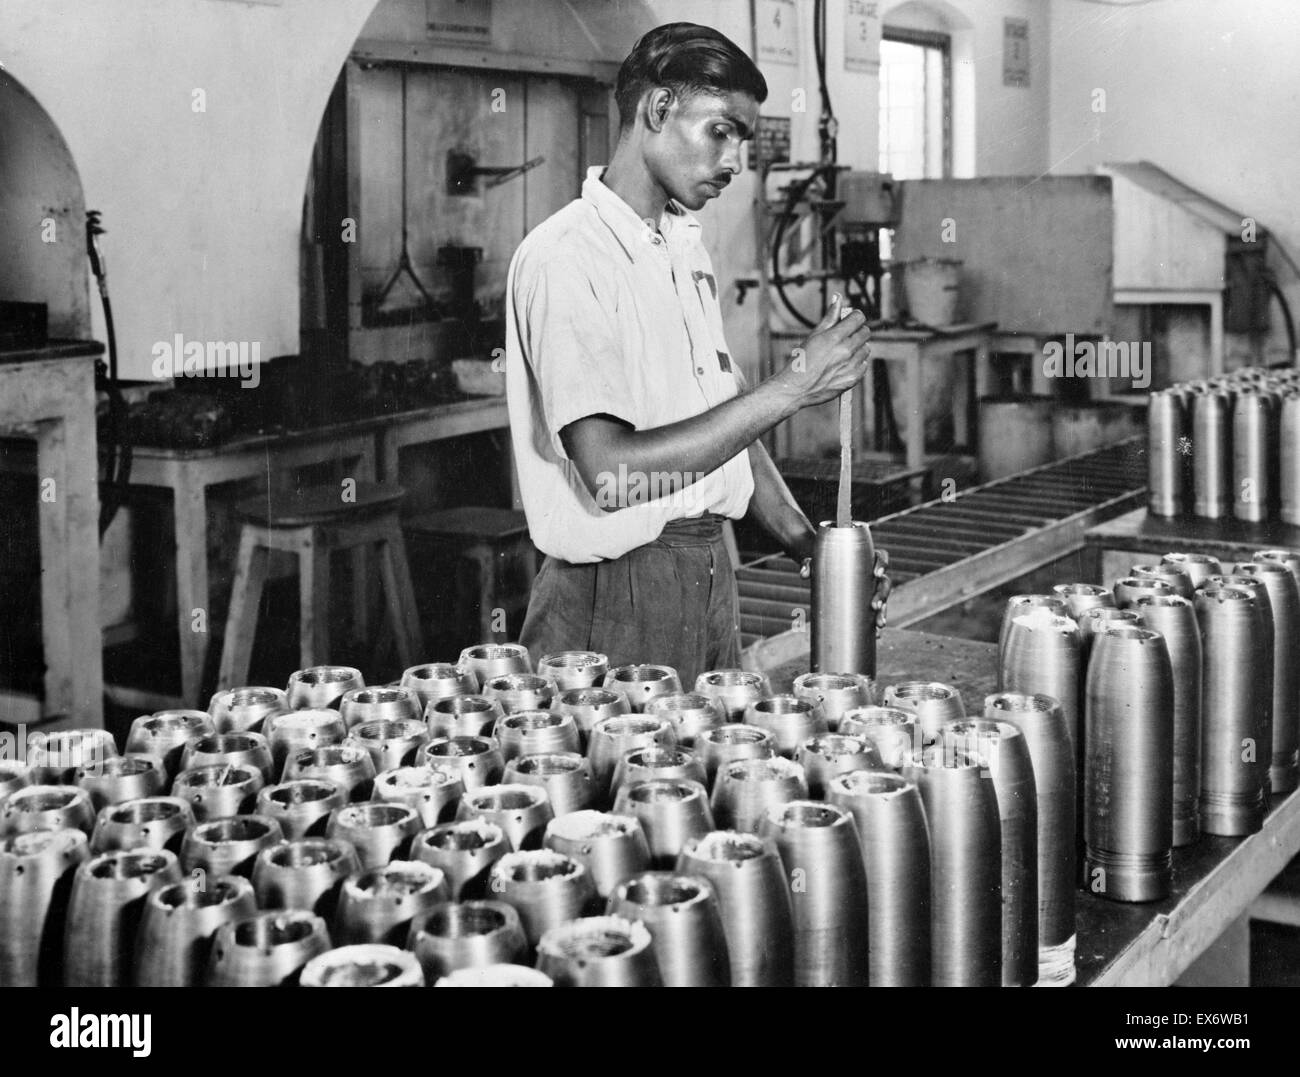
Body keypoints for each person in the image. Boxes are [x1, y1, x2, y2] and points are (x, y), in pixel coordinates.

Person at [504, 21, 888, 687]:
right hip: (612, 599)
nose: (736, 161)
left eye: (743, 137)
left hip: (710, 574)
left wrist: (810, 547)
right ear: (657, 109)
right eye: (722, 130)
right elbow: (611, 474)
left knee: (702, 787)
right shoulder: (567, 257)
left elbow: (728, 425)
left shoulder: (684, 248)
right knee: (614, 788)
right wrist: (794, 386)